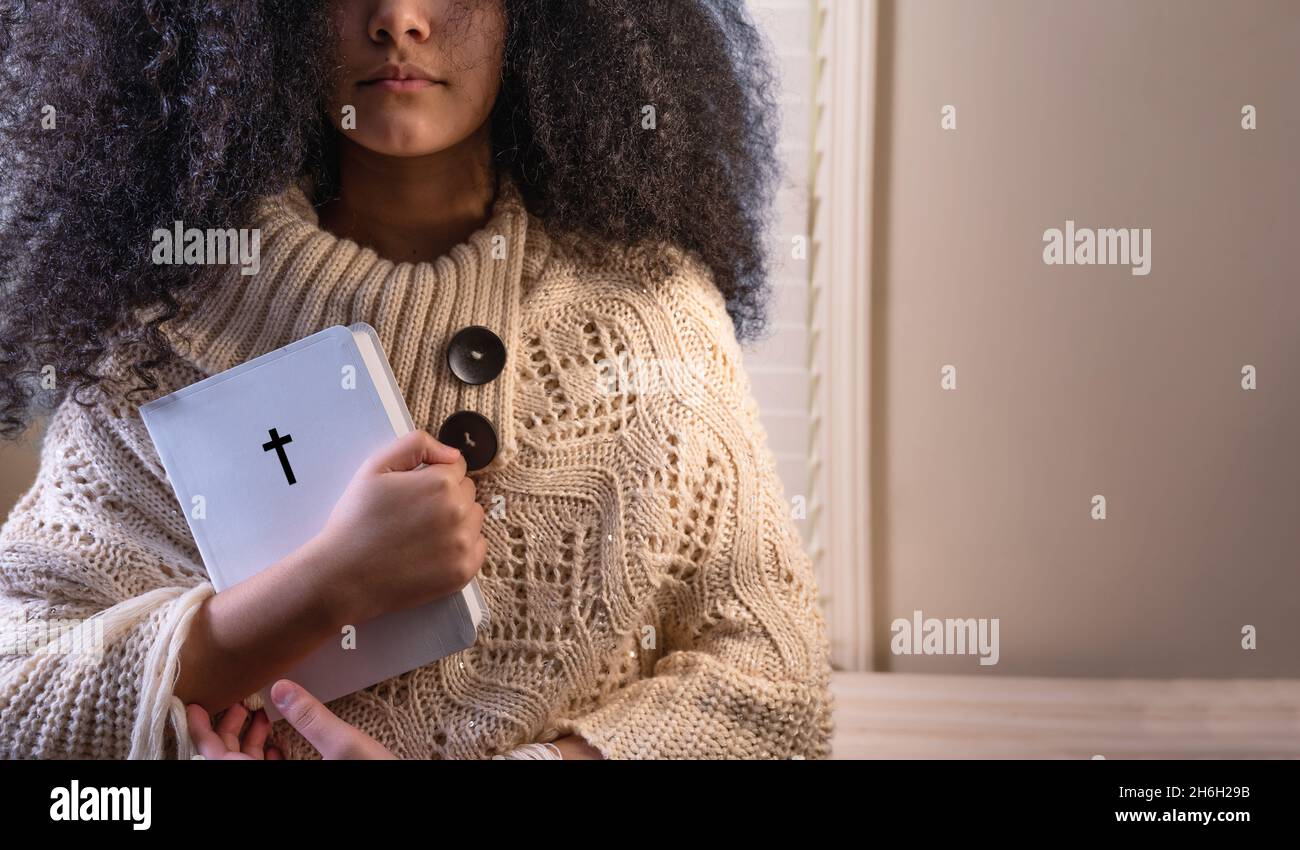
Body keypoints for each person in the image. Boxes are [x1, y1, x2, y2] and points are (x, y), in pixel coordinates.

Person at [0, 0, 833, 760]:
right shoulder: (157, 327)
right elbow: (18, 695)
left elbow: (775, 678)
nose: (399, 18)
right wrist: (328, 587)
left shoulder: (653, 312)